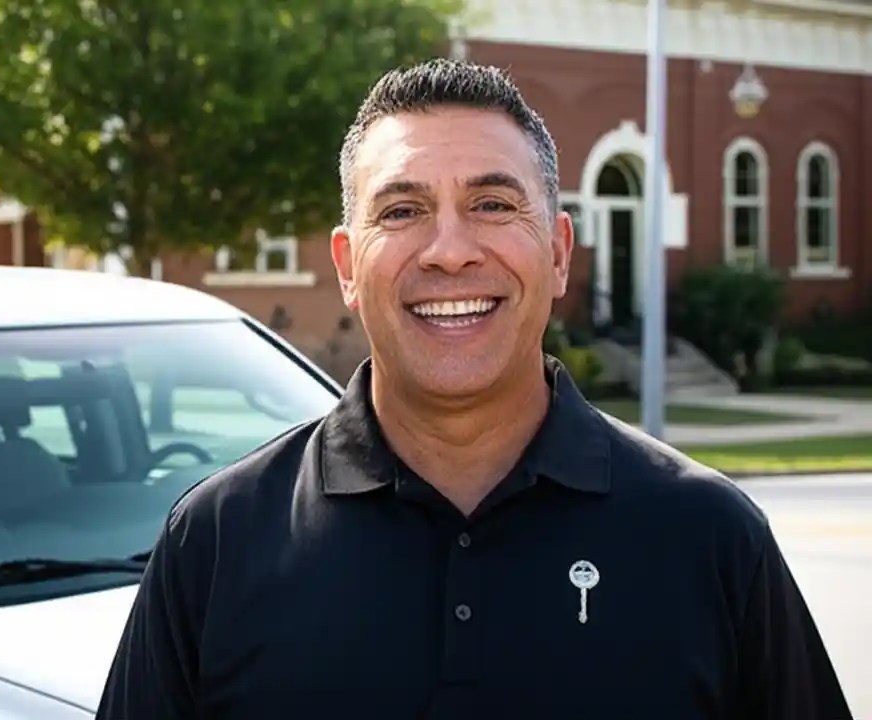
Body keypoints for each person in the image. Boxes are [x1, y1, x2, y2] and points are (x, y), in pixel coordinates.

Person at [95, 58, 852, 719]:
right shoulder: (217, 542)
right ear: (348, 267)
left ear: (557, 253)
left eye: (492, 205)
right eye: (402, 211)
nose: (450, 251)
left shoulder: (711, 538)